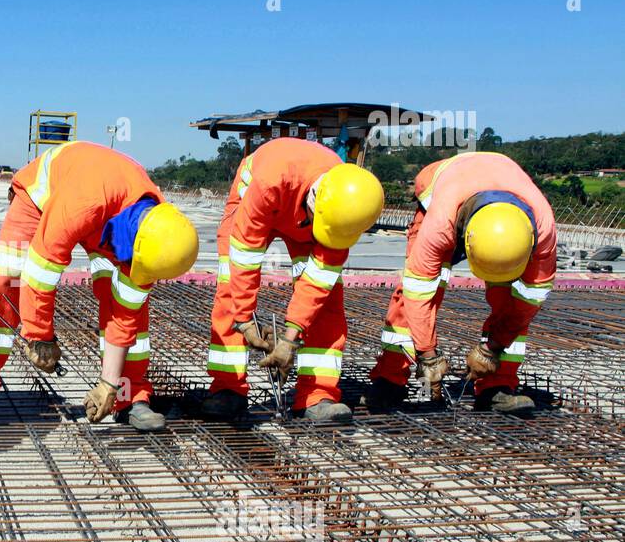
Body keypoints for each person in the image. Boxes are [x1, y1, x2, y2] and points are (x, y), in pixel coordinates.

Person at [0, 140, 199, 431]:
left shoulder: (160, 232)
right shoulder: (84, 203)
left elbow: (125, 316)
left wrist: (108, 384)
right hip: (39, 202)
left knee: (130, 308)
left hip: (109, 215)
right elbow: (40, 271)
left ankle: (129, 396)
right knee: (8, 286)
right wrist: (39, 336)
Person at [202, 137, 384, 424]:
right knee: (231, 287)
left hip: (309, 215)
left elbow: (316, 286)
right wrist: (245, 320)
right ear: (315, 207)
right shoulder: (271, 182)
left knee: (327, 302)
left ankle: (317, 394)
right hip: (259, 198)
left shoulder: (346, 206)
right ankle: (228, 388)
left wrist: (290, 340)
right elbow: (245, 261)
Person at [364, 152, 556, 416]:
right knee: (411, 297)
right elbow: (418, 294)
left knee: (511, 300)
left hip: (491, 200)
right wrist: (427, 354)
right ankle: (390, 380)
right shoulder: (440, 224)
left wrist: (493, 348)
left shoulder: (543, 229)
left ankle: (496, 386)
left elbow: (528, 302)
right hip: (442, 199)